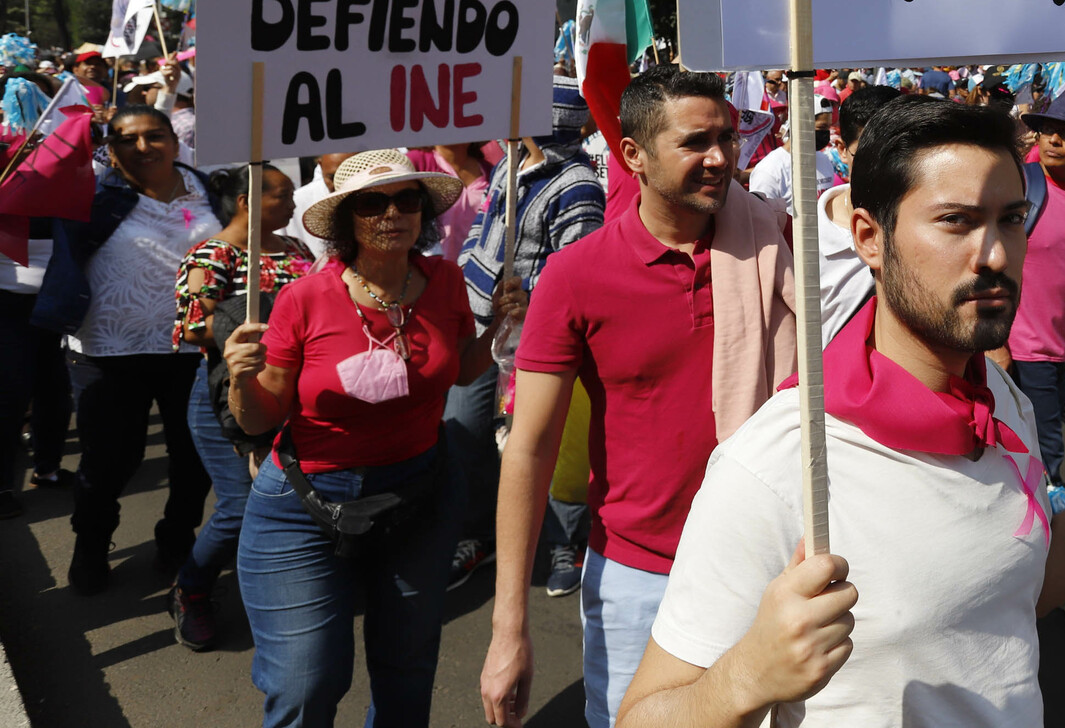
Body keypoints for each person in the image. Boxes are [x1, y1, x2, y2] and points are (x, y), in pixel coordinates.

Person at [616, 97, 1065, 728]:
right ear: (869, 238)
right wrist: (745, 677)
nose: (996, 255)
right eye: (955, 221)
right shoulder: (778, 466)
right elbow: (640, 715)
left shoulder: (1002, 399)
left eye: (1011, 219)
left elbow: (1019, 591)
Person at [481, 68, 797, 728]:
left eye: (728, 138)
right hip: (639, 578)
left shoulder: (782, 249)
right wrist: (508, 626)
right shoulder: (577, 274)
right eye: (694, 142)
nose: (720, 158)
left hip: (773, 566)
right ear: (633, 155)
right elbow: (530, 448)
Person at [224, 149, 518, 725]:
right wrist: (240, 379)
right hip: (304, 505)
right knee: (305, 683)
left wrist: (504, 326)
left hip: (420, 497)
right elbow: (259, 419)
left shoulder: (445, 279)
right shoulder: (304, 298)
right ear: (344, 221)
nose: (393, 214)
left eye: (407, 200)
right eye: (372, 203)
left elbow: (457, 371)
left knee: (407, 676)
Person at [38, 106, 220, 595]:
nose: (142, 147)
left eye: (153, 135)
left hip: (193, 349)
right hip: (108, 350)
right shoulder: (89, 194)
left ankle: (177, 542)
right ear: (109, 148)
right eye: (126, 139)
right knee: (111, 460)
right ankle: (91, 547)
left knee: (193, 456)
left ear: (175, 141)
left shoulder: (209, 191)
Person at [453, 79, 608, 592]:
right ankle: (480, 533)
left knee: (545, 437)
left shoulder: (578, 184)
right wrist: (474, 276)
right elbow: (481, 228)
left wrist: (532, 296)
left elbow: (580, 270)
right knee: (468, 432)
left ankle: (564, 543)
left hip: (538, 339)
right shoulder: (506, 166)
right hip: (484, 328)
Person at [167, 164, 314, 650]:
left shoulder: (293, 249)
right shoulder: (212, 255)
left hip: (288, 392)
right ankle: (191, 588)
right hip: (223, 396)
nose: (293, 204)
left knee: (282, 496)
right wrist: (276, 329)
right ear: (248, 201)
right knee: (239, 505)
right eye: (282, 194)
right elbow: (193, 328)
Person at [997, 89, 1065, 493]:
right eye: (1047, 130)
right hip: (1022, 345)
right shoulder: (1021, 185)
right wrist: (996, 338)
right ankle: (1052, 529)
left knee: (1037, 438)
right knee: (1047, 446)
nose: (1053, 140)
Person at [818, 85, 903, 343]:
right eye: (869, 155)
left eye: (898, 152)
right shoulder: (800, 240)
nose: (884, 168)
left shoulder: (931, 229)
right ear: (842, 150)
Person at [0, 211, 68, 520]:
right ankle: (2, 489)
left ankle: (48, 470)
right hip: (7, 309)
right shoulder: (7, 183)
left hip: (54, 306)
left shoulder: (62, 194)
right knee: (10, 398)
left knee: (55, 393)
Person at [748, 109, 837, 216]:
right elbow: (762, 219)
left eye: (828, 127)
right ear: (801, 124)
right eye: (822, 127)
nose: (826, 133)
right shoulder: (769, 170)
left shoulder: (825, 160)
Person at [288, 152, 354, 260]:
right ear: (321, 165)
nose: (340, 184)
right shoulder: (298, 201)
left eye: (349, 176)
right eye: (333, 178)